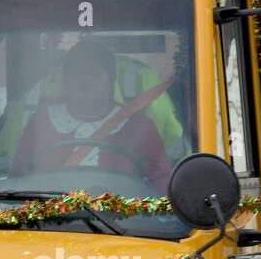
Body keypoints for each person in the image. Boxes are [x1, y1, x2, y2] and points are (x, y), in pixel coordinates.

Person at [9, 39, 172, 190]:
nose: (84, 79)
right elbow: (19, 180)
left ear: (110, 81)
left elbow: (161, 185)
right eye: (76, 72)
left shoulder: (139, 126)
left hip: (124, 221)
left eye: (94, 73)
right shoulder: (40, 122)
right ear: (66, 80)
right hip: (50, 221)